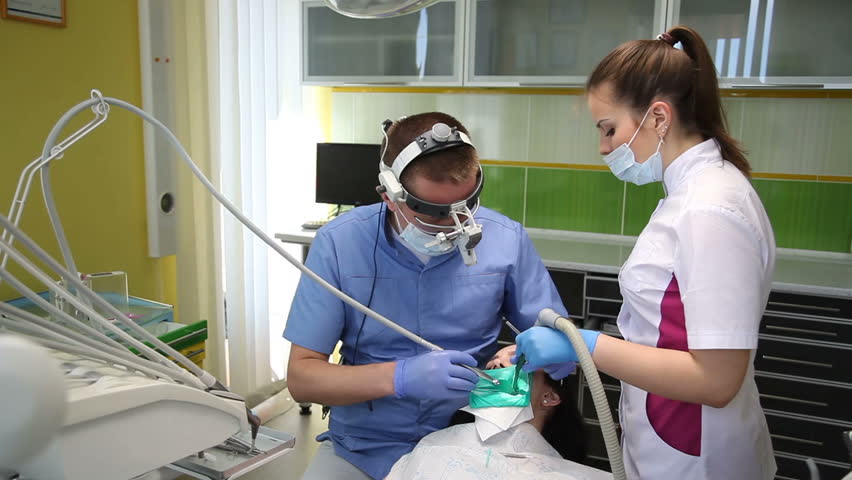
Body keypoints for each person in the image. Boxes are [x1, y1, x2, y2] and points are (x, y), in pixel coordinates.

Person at [513, 26, 777, 479]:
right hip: (666, 439)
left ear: (658, 117)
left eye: (608, 128)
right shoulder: (688, 196)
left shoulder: (709, 208)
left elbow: (716, 381)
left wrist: (587, 347)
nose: (603, 147)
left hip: (698, 456)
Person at [284, 112, 568, 480]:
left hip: (470, 443)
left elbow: (560, 345)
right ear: (390, 196)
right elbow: (302, 379)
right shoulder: (340, 243)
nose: (456, 226)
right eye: (434, 215)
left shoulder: (506, 240)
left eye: (465, 207)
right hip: (363, 449)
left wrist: (534, 351)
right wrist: (398, 377)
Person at [385, 358, 595, 480]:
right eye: (494, 360)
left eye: (516, 360)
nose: (495, 363)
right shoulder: (434, 444)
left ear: (549, 397)